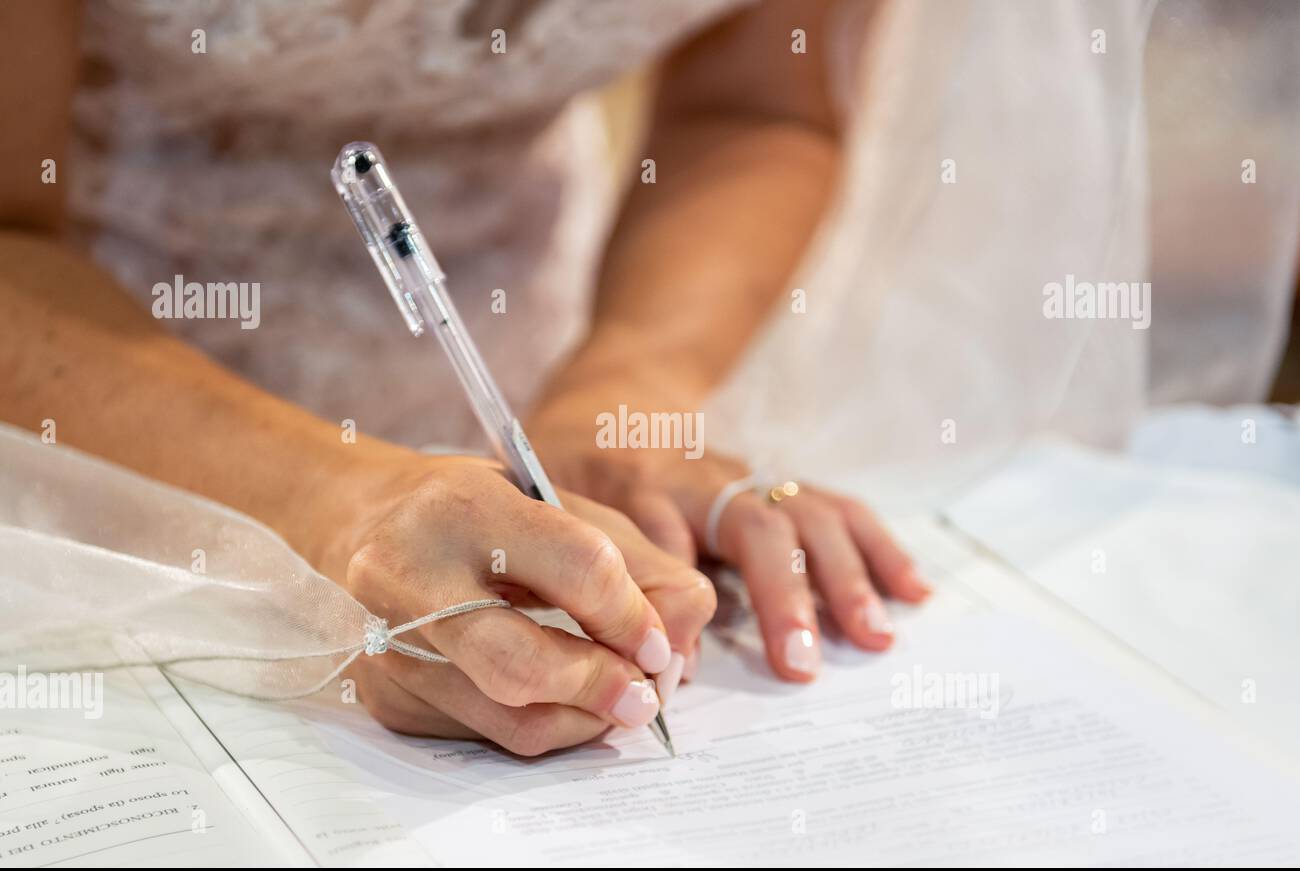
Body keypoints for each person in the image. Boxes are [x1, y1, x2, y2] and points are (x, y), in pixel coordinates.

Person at [0, 0, 930, 756]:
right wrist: (339, 501)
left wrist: (628, 385)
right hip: (90, 408)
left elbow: (759, 104)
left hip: (520, 349)